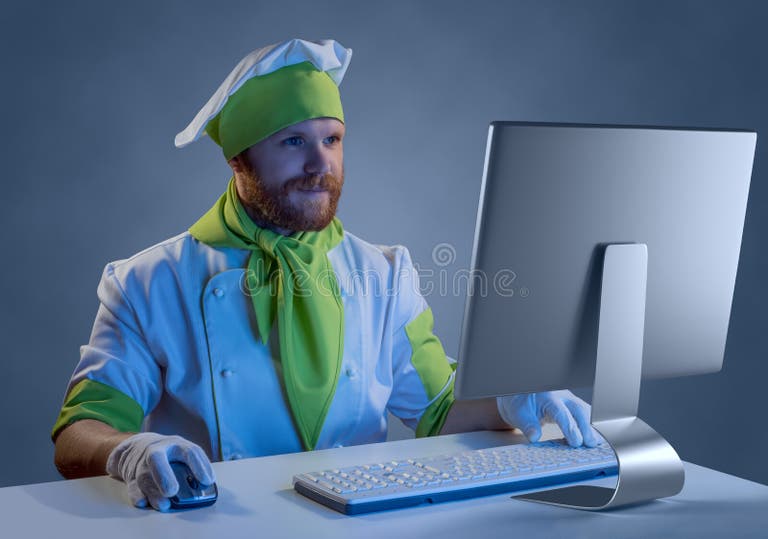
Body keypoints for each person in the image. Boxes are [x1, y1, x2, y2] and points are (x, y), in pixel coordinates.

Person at [51, 38, 599, 512]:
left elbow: (436, 411)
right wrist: (126, 453)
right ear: (238, 159)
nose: (321, 165)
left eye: (332, 140)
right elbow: (78, 432)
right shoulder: (149, 284)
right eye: (293, 141)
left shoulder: (384, 273)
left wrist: (511, 401)